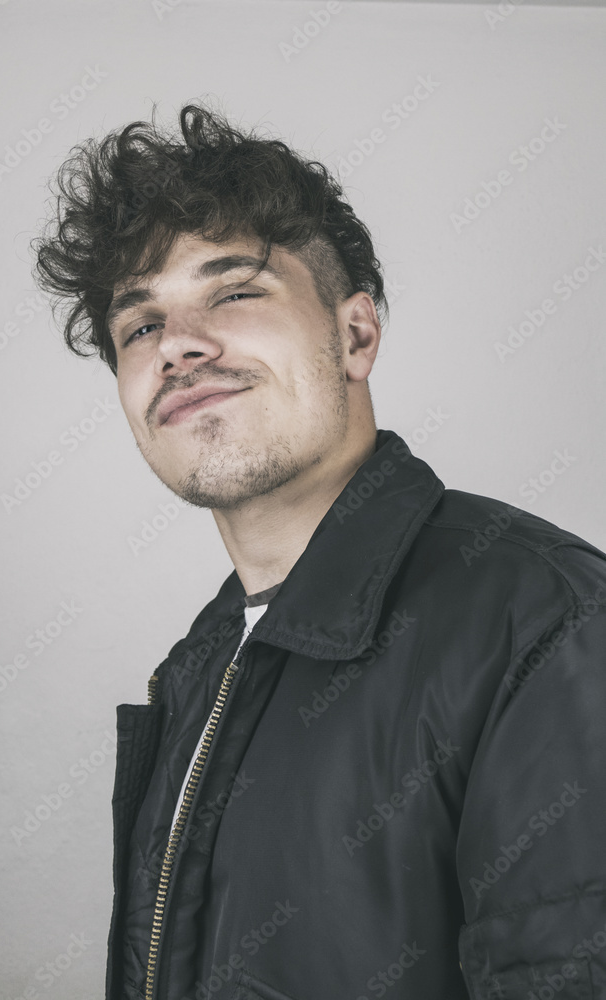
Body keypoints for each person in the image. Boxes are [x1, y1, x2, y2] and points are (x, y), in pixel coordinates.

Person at [34, 102, 606, 1000]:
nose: (177, 345)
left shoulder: (544, 619)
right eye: (139, 326)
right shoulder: (201, 660)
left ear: (354, 335)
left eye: (233, 291)